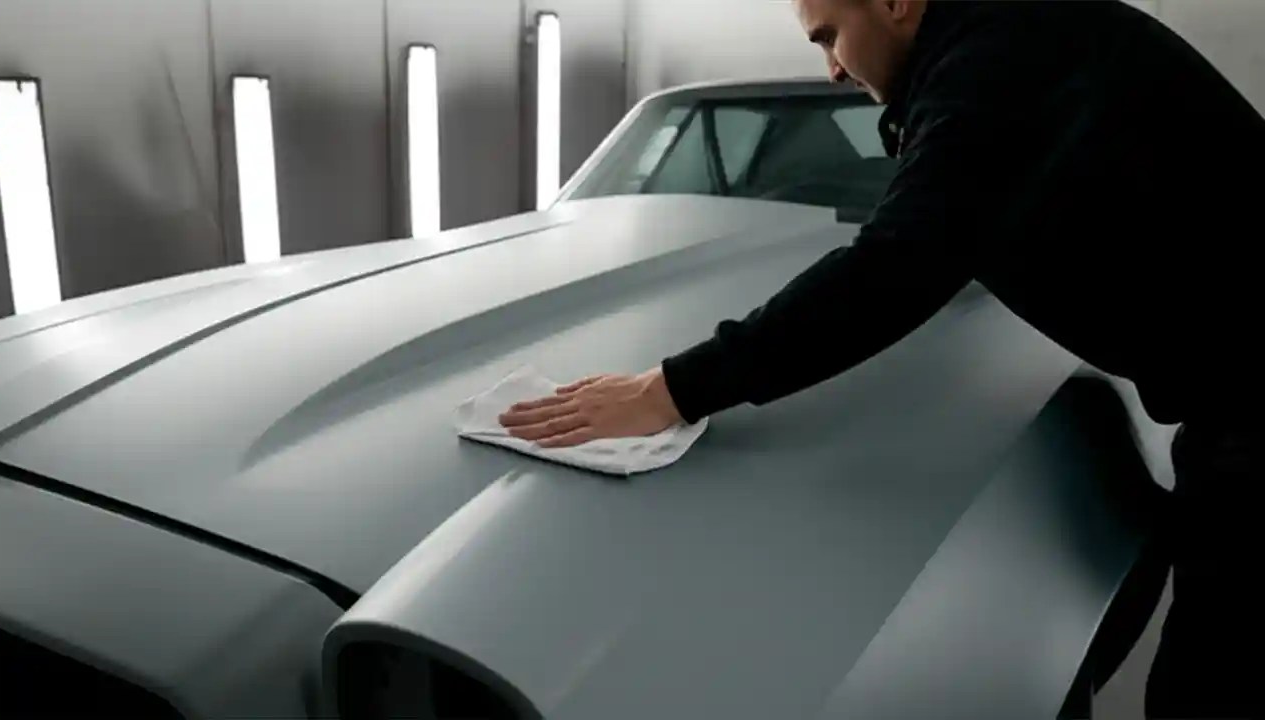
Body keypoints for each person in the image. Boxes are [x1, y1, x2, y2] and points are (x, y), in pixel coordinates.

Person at [498, 1, 1265, 716]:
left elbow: (897, 261)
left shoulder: (993, 63)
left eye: (829, 34)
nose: (830, 67)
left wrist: (673, 387)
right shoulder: (1015, 46)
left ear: (897, 0)